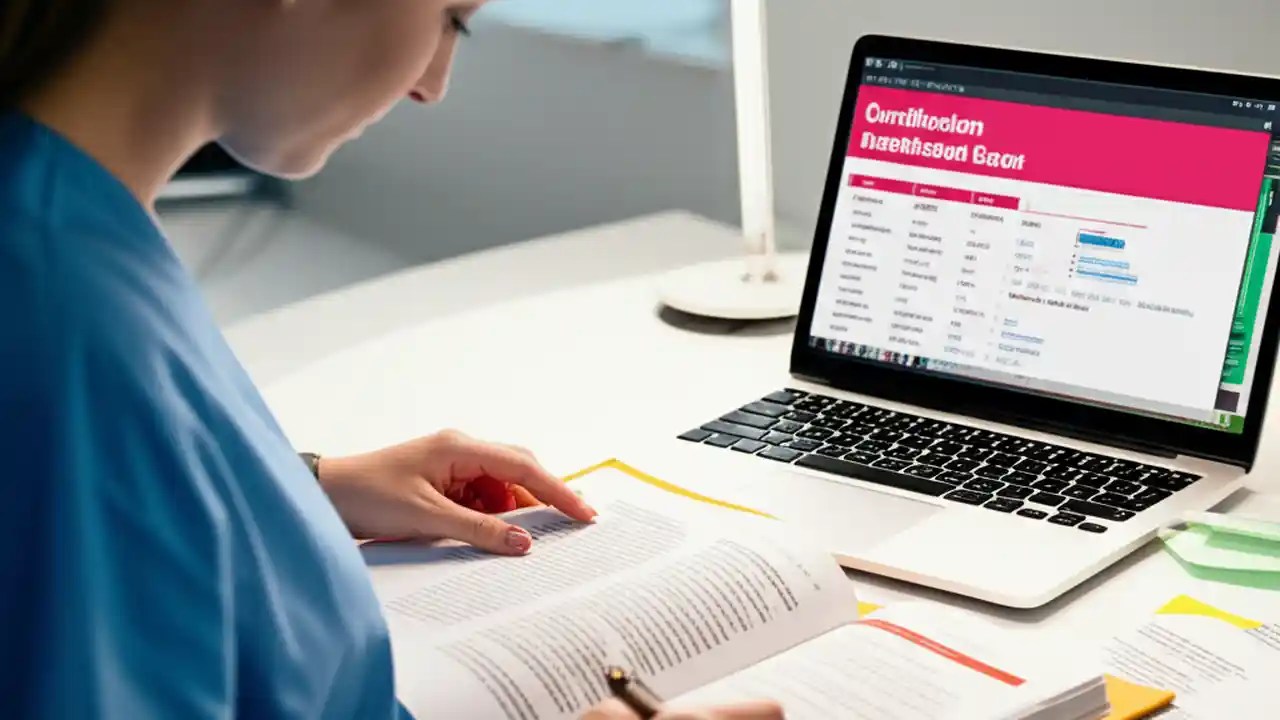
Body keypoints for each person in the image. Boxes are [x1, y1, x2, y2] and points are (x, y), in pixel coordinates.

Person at [0, 2, 784, 719]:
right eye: (452, 18)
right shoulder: (60, 319)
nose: (434, 84)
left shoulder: (65, 228)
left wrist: (296, 487)